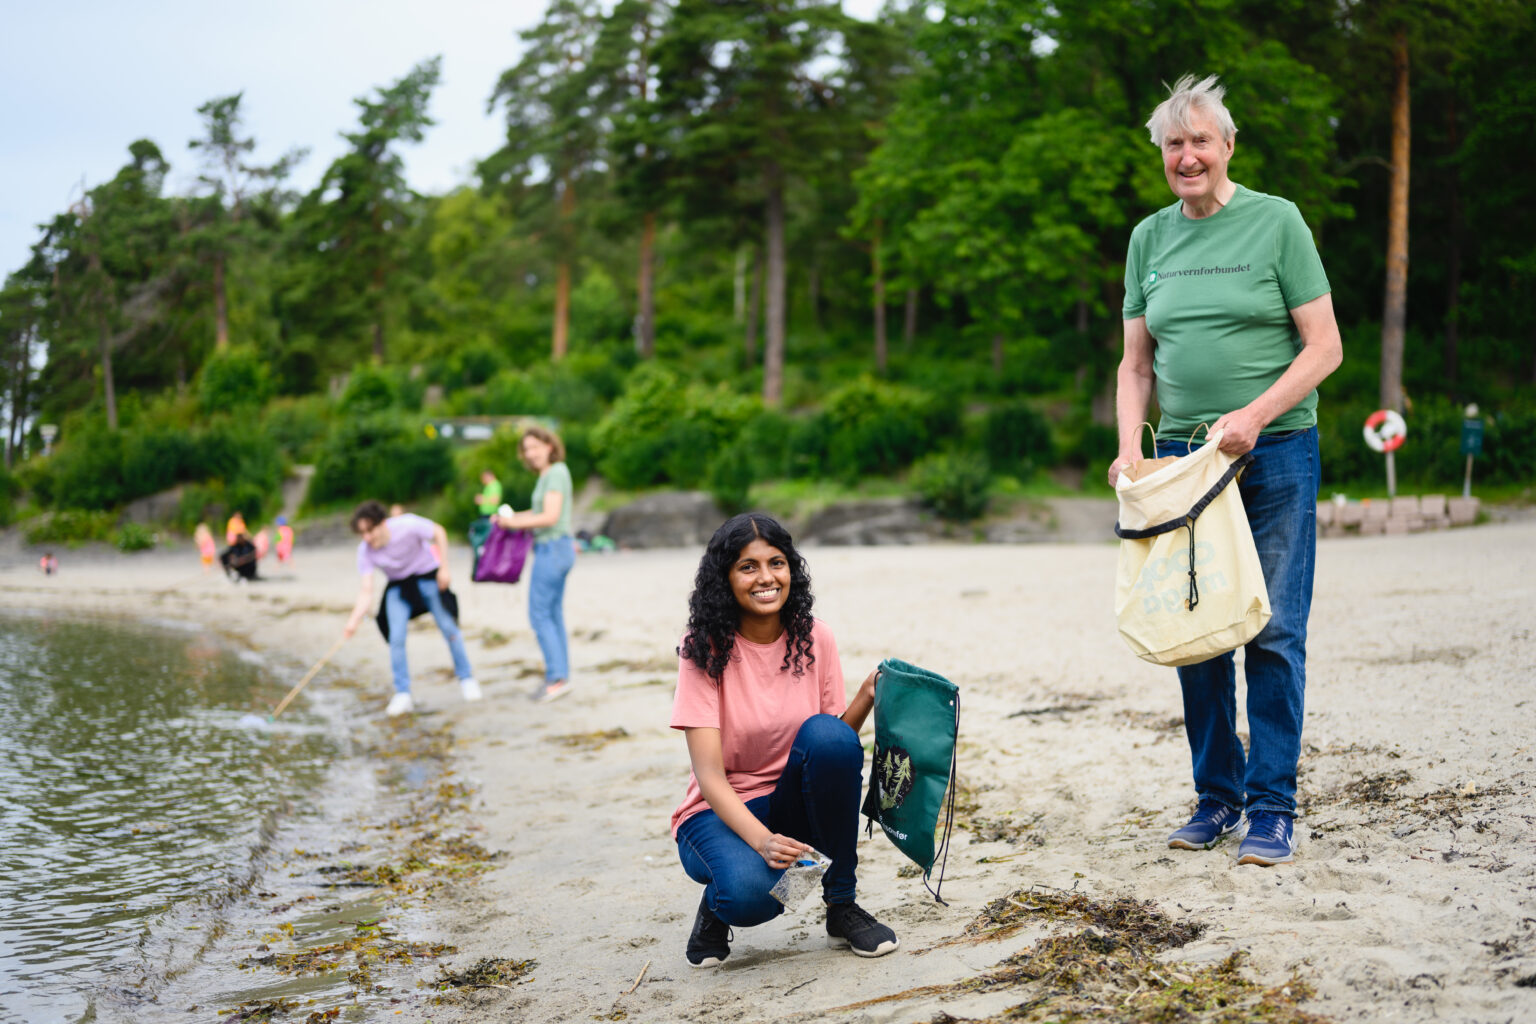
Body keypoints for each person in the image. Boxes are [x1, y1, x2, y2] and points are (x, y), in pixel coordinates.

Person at [1110, 74, 1343, 866]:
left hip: (1275, 452)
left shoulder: (1277, 223)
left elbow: (1325, 347)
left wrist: (1255, 416)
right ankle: (1218, 799)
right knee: (1198, 635)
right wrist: (1132, 450)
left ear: (1227, 146)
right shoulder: (1150, 238)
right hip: (1182, 462)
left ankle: (1273, 808)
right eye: (1173, 143)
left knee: (1273, 631)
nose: (1187, 155)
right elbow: (1136, 364)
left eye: (1199, 140)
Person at [670, 512, 897, 968]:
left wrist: (867, 695)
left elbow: (832, 746)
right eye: (747, 566)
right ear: (725, 577)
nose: (766, 578)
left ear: (791, 567)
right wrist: (762, 842)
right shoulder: (703, 646)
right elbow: (710, 775)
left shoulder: (815, 637)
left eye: (776, 562)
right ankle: (716, 907)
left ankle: (841, 905)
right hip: (720, 810)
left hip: (793, 799)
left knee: (830, 740)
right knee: (752, 899)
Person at [343, 500, 481, 716]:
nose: (367, 537)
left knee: (448, 627)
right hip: (399, 587)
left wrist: (445, 568)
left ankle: (467, 679)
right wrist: (352, 622)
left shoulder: (407, 525)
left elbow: (439, 532)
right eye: (362, 533)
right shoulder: (365, 551)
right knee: (396, 637)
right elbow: (366, 590)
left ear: (383, 523)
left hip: (428, 578)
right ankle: (403, 694)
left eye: (370, 530)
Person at [491, 426, 575, 702]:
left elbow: (549, 517)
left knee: (539, 614)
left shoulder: (556, 472)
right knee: (552, 614)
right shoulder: (546, 476)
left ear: (549, 445)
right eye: (527, 449)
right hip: (554, 548)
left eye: (535, 446)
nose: (531, 453)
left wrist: (513, 522)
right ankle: (561, 676)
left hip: (553, 548)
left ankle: (556, 678)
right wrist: (511, 516)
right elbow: (539, 512)